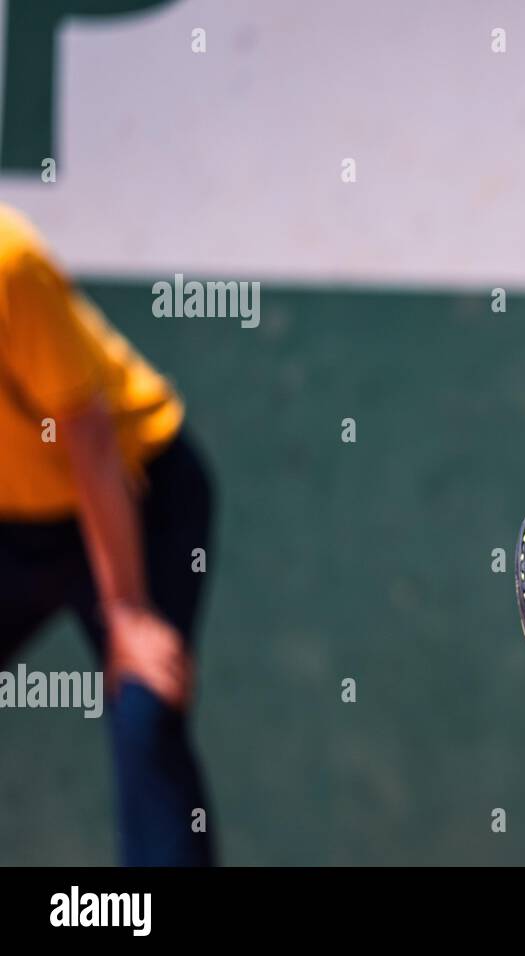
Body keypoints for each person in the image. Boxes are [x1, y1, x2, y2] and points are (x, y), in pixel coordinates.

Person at [0, 205, 216, 865]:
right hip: (13, 521)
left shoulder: (11, 261)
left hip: (136, 496)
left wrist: (127, 609)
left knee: (145, 708)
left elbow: (87, 432)